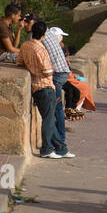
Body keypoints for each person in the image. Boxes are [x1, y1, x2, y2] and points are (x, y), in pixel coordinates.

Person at [18, 19, 69, 159]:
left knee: (49, 118)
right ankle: (47, 149)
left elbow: (19, 62)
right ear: (44, 34)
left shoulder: (25, 46)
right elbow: (47, 72)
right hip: (45, 86)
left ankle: (61, 148)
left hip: (35, 85)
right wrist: (50, 69)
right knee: (49, 118)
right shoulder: (41, 49)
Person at [43, 24, 73, 160]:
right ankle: (59, 144)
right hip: (59, 78)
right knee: (56, 111)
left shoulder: (51, 46)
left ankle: (59, 144)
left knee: (55, 111)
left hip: (57, 78)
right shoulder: (56, 47)